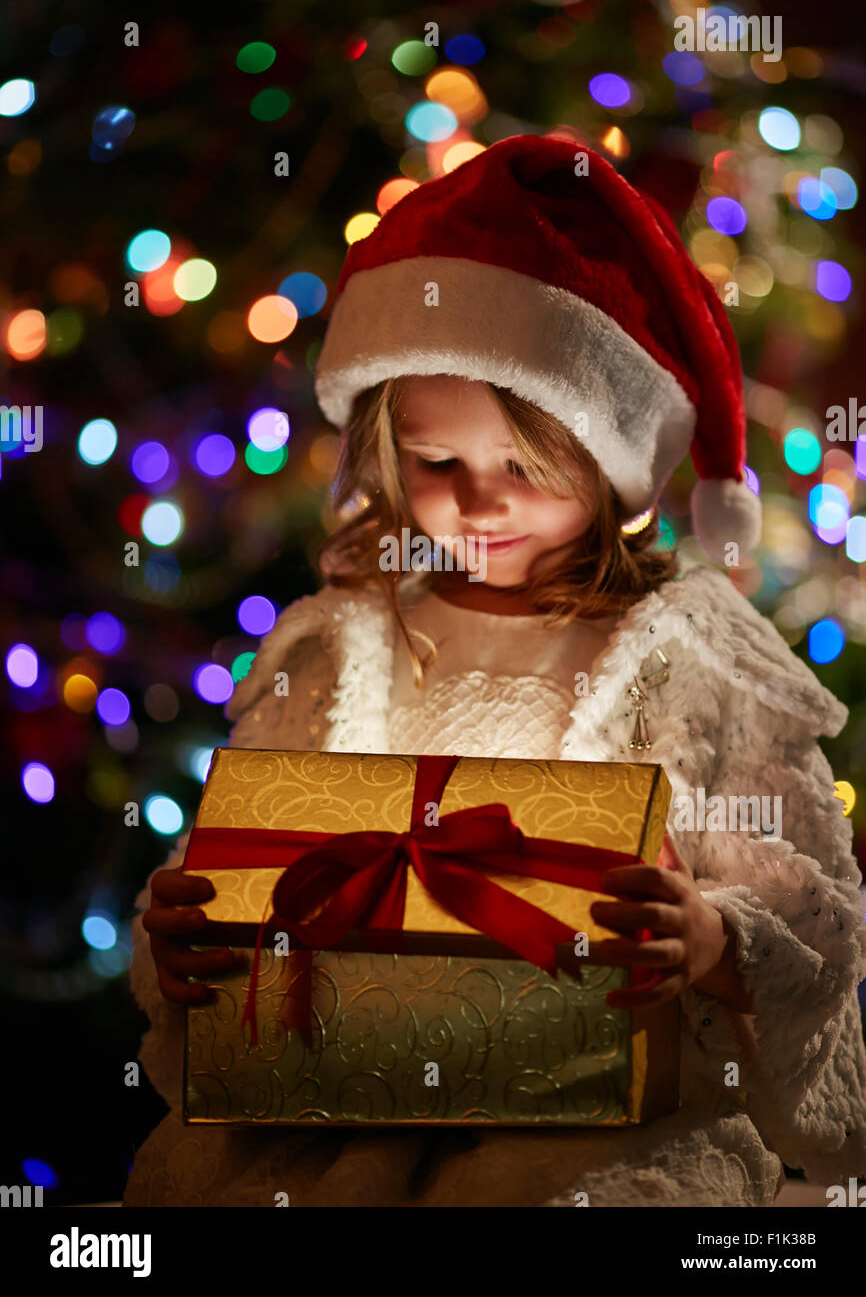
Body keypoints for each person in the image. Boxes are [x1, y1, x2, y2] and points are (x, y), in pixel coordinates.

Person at [124, 134, 866, 1207]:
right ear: (385, 449)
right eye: (437, 464)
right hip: (328, 1110)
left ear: (612, 453)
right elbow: (236, 854)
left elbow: (809, 916)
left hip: (597, 1118)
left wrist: (705, 935)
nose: (476, 504)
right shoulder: (335, 644)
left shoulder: (694, 657)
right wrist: (187, 936)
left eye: (522, 465)